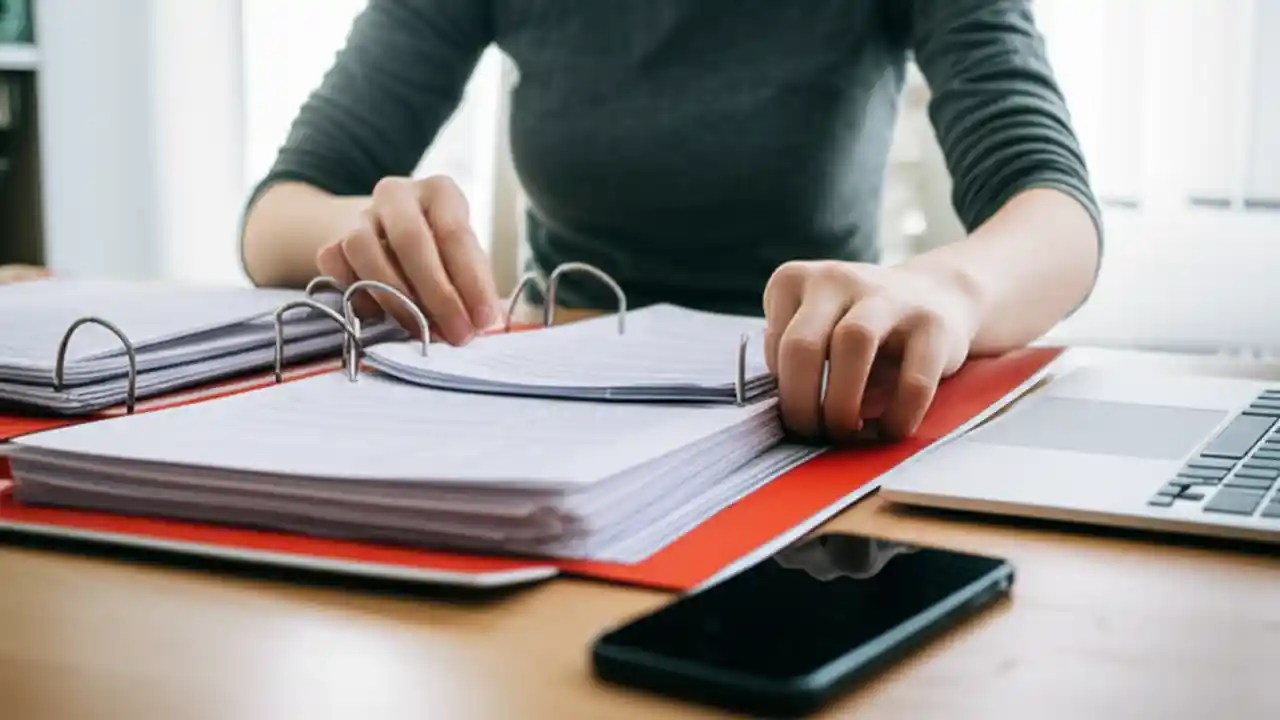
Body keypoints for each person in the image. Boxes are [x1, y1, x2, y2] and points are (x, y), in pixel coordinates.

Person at [241, 0, 1101, 443]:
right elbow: (277, 212)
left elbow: (1055, 209)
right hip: (552, 405)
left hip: (813, 406)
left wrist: (947, 290)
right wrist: (373, 228)